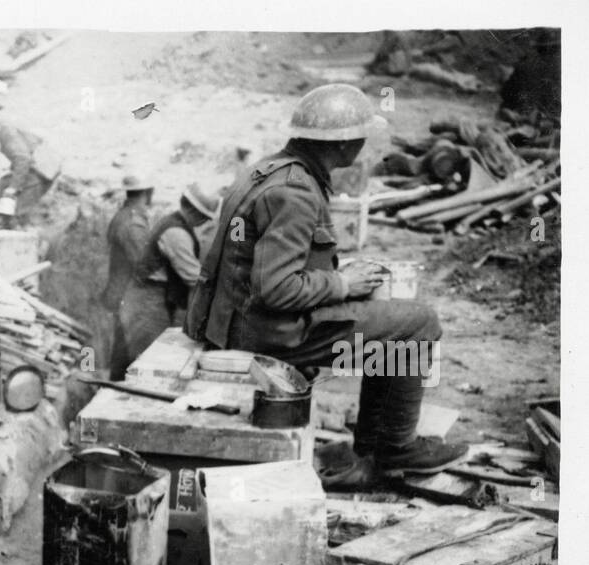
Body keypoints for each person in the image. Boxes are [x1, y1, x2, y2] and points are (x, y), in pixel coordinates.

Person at [187, 84, 469, 487]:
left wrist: (340, 275)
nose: (363, 144)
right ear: (341, 144)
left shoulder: (269, 170)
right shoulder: (295, 192)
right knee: (420, 323)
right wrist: (341, 282)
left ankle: (374, 448)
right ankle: (394, 447)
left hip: (239, 322)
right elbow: (277, 289)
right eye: (360, 137)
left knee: (392, 328)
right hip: (269, 335)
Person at [143, 181, 221, 339]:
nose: (205, 222)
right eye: (204, 218)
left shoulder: (174, 222)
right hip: (149, 301)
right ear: (194, 211)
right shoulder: (176, 233)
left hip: (156, 298)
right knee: (151, 352)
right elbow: (194, 278)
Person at [101, 174, 155, 381]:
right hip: (128, 295)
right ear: (148, 192)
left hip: (121, 292)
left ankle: (115, 386)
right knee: (130, 351)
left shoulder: (125, 215)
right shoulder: (133, 223)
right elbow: (144, 263)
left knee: (122, 351)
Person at [0, 102, 61, 223]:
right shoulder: (7, 126)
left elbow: (23, 159)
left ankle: (20, 230)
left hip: (40, 172)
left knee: (14, 211)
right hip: (37, 169)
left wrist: (14, 187)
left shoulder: (5, 130)